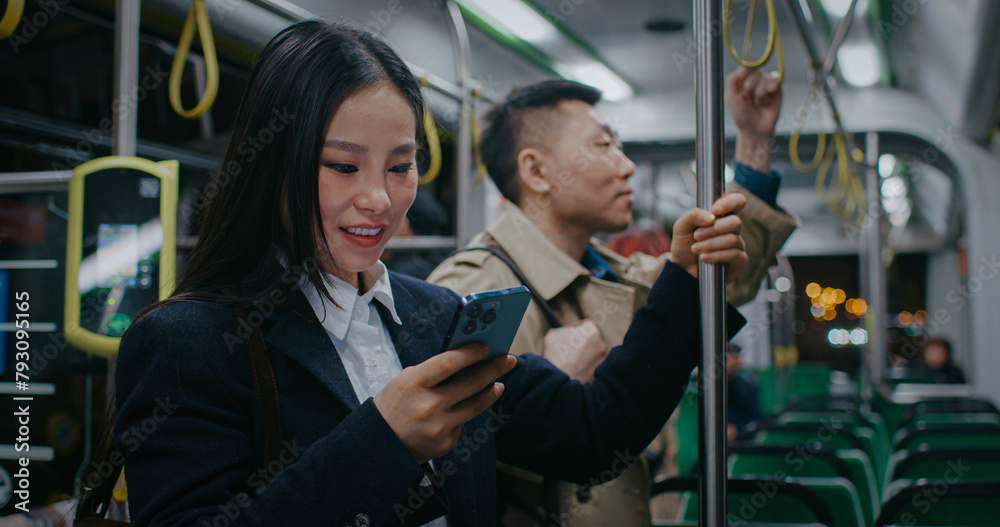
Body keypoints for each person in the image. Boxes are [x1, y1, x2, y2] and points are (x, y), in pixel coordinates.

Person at [110, 21, 749, 527]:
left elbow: (595, 433)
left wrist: (685, 279)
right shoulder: (190, 340)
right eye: (342, 166)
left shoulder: (435, 318)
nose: (379, 200)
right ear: (274, 166)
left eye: (400, 166)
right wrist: (383, 441)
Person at [427, 69, 796, 526]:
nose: (627, 166)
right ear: (537, 171)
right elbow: (462, 455)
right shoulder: (476, 289)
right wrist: (553, 389)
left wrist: (754, 141)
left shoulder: (608, 270)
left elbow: (721, 281)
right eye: (603, 146)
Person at [726, 344, 762, 441]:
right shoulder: (704, 387)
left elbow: (756, 419)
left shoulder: (747, 387)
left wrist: (737, 430)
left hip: (740, 442)